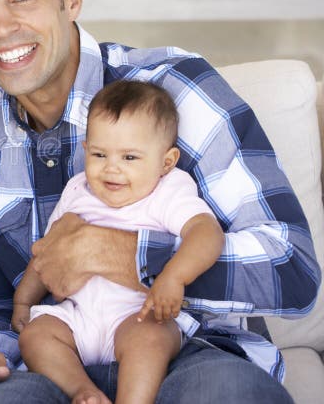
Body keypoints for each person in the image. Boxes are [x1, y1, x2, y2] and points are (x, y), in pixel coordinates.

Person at [0, 0, 319, 404]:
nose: (0, 27)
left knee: (224, 393)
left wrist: (123, 254)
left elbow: (292, 270)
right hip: (60, 361)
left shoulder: (177, 90)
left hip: (190, 350)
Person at [12, 81, 224, 404]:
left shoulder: (167, 190)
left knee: (150, 339)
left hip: (138, 316)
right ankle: (83, 391)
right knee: (34, 336)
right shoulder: (77, 190)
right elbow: (46, 254)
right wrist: (23, 302)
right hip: (80, 318)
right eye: (99, 154)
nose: (111, 168)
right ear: (85, 150)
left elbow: (207, 233)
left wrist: (174, 276)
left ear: (166, 162)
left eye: (129, 157)